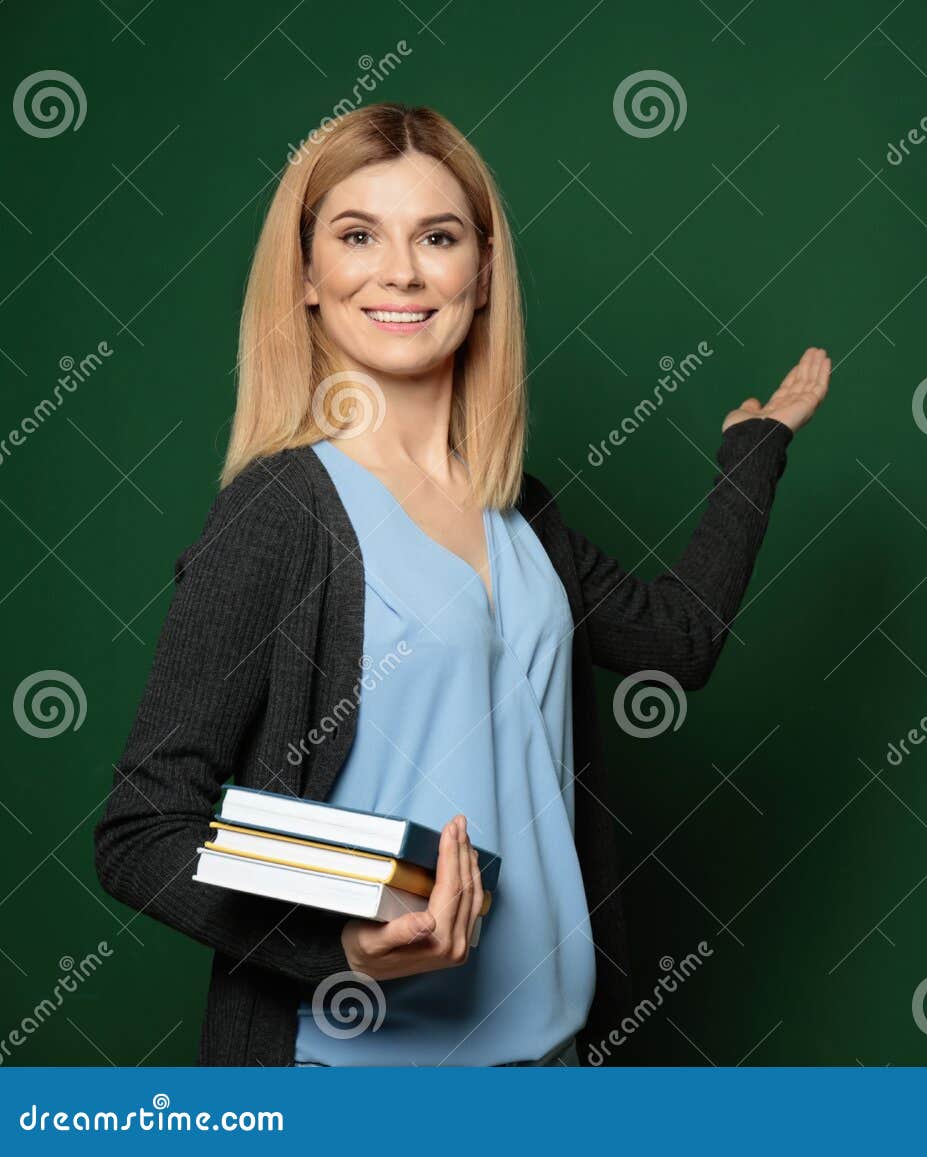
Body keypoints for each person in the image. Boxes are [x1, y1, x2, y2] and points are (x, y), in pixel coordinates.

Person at [92, 102, 829, 1066]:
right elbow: (142, 829)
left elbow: (678, 640)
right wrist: (337, 948)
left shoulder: (517, 509)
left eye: (436, 237)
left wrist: (752, 455)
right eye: (358, 235)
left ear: (481, 275)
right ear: (308, 276)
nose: (400, 270)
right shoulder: (282, 510)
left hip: (550, 1063)